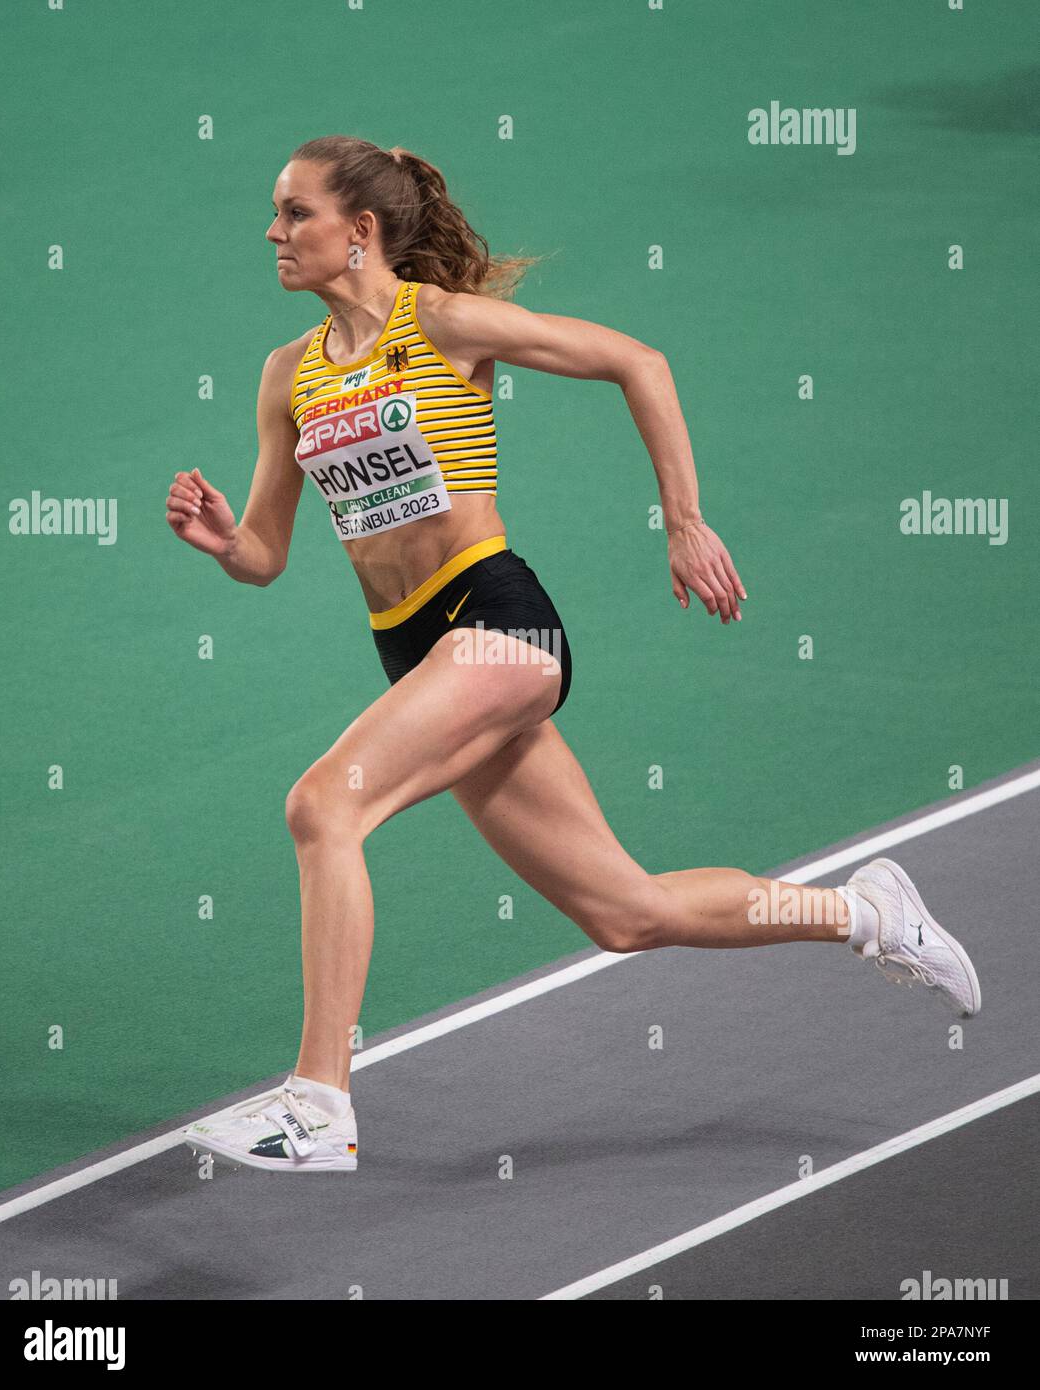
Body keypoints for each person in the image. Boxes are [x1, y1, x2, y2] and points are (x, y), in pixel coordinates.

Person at [172, 137, 980, 1173]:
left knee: (324, 804)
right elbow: (269, 552)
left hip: (500, 622)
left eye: (294, 213)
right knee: (623, 911)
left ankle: (319, 1099)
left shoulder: (445, 324)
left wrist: (683, 522)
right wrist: (223, 542)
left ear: (359, 232)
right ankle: (869, 914)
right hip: (415, 651)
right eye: (276, 214)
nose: (274, 232)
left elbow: (636, 361)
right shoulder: (287, 377)